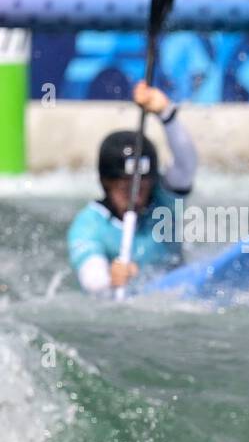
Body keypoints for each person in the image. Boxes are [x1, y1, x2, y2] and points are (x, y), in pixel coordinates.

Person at [67, 81, 198, 294]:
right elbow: (91, 276)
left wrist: (167, 115)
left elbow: (186, 166)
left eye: (143, 183)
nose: (137, 192)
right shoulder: (88, 224)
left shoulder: (163, 201)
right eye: (125, 185)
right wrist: (110, 279)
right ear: (107, 182)